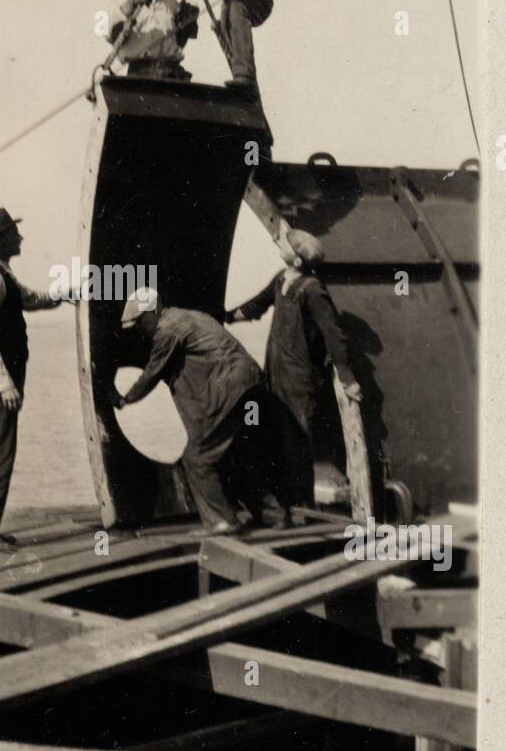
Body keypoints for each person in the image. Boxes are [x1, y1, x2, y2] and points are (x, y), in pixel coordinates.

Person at [225, 228, 362, 522]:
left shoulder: (312, 290)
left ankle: (303, 507)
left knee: (298, 442)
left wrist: (347, 377)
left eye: (287, 244)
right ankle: (284, 505)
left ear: (298, 261)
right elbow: (257, 304)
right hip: (276, 375)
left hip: (300, 381)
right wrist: (229, 316)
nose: (280, 242)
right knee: (275, 437)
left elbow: (333, 335)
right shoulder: (281, 280)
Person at [110, 287, 266, 534]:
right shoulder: (188, 316)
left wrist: (124, 399)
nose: (140, 330)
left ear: (153, 312)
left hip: (232, 391)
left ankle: (222, 523)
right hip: (252, 387)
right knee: (238, 451)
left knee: (197, 458)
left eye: (139, 323)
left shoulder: (167, 329)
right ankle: (274, 514)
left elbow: (152, 372)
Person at [0, 207, 70, 553]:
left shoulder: (2, 276)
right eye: (13, 232)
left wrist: (63, 294)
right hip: (0, 382)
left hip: (1, 380)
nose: (20, 237)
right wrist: (4, 383)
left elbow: (30, 299)